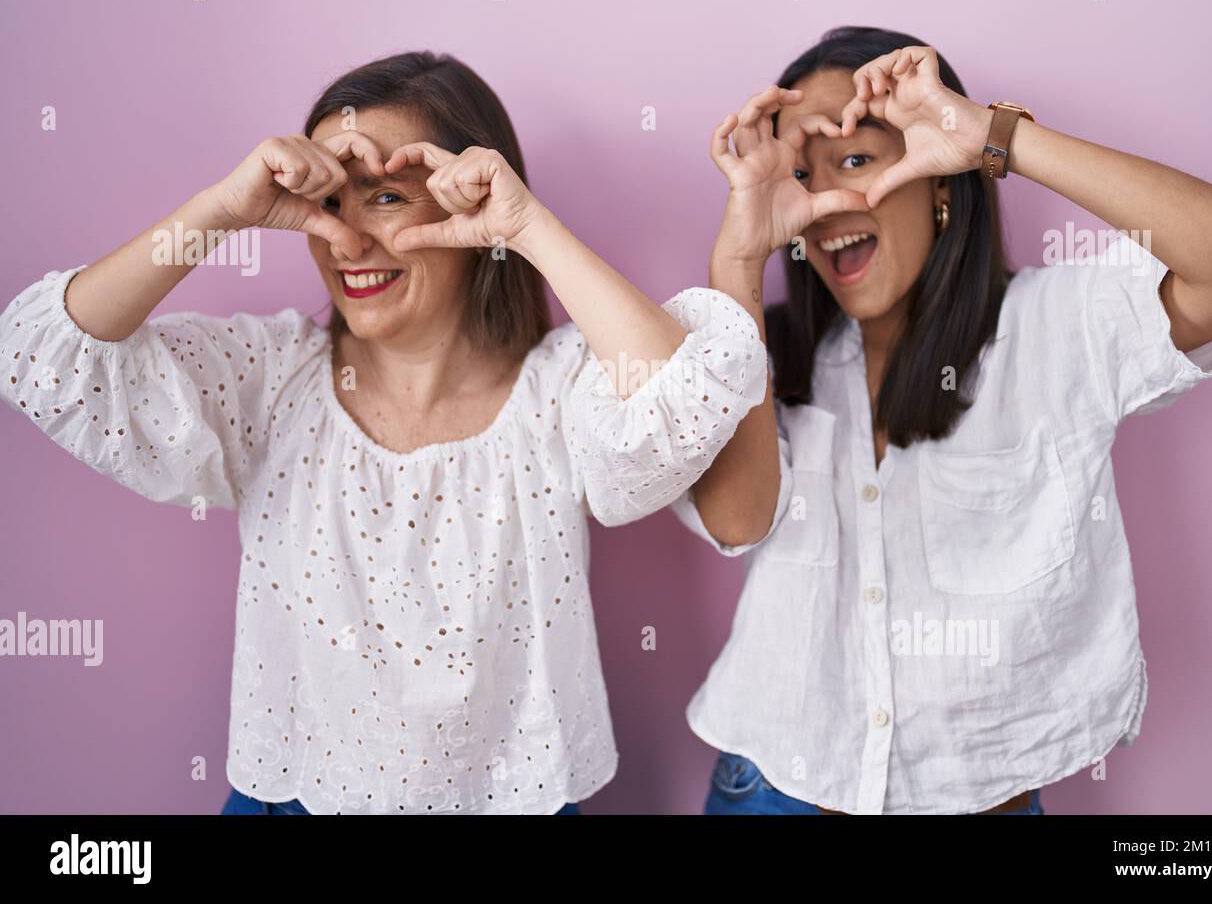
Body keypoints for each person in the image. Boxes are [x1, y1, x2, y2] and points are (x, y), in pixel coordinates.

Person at [0, 51, 766, 814]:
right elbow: (43, 356)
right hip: (292, 799)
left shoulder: (559, 391)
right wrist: (223, 209)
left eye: (387, 198)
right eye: (330, 204)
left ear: (468, 208)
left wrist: (526, 226)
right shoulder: (268, 379)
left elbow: (688, 393)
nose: (348, 241)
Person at [673, 26, 1212, 814]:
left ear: (939, 183)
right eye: (800, 175)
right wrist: (737, 255)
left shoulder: (1056, 326)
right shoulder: (763, 351)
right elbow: (736, 519)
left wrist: (995, 136)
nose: (827, 202)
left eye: (856, 159)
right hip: (769, 786)